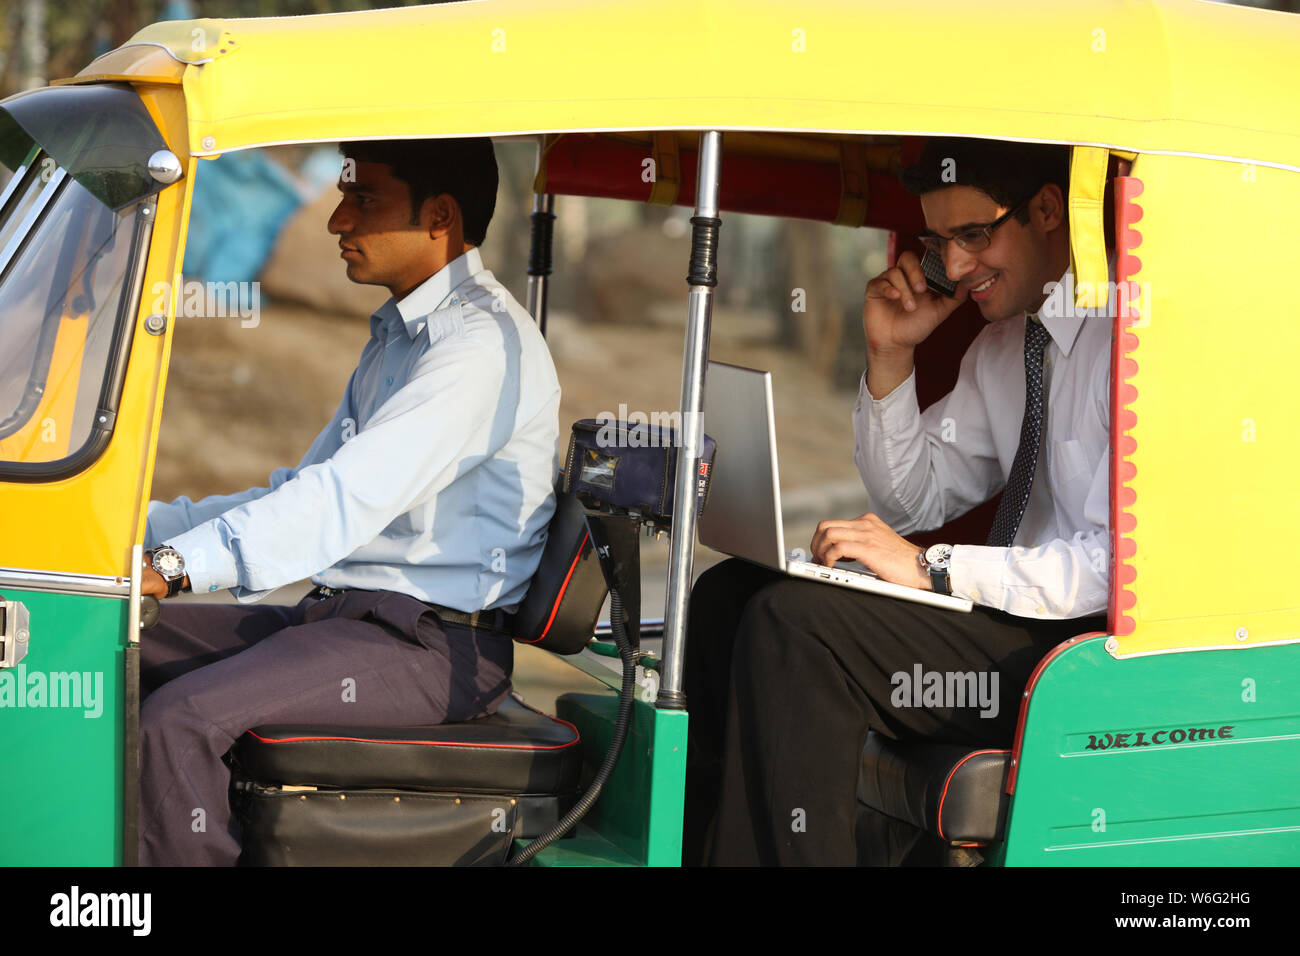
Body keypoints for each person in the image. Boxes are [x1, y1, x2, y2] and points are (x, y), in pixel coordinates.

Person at [683, 137, 1111, 866]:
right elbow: (915, 497)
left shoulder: (1132, 345)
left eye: (974, 235)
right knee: (727, 596)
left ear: (1047, 210)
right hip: (1008, 624)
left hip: (1080, 655)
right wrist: (890, 356)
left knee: (800, 628)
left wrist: (932, 569)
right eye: (941, 242)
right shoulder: (1004, 347)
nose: (958, 266)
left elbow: (1117, 566)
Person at [137, 137, 561, 866]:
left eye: (363, 200)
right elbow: (298, 493)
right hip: (348, 618)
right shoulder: (402, 337)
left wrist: (174, 567)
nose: (336, 221)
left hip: (429, 647)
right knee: (122, 648)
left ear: (439, 215)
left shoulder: (477, 349)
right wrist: (127, 528)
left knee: (180, 720)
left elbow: (340, 502)